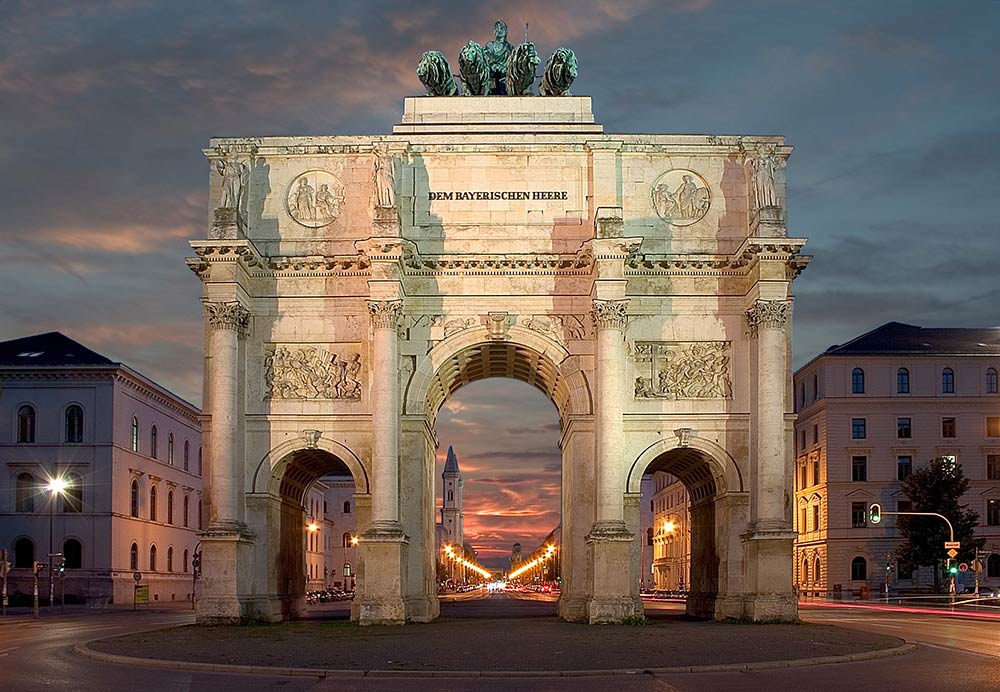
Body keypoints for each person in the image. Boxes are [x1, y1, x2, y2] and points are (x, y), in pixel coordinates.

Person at [484, 20, 513, 94]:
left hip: (506, 77)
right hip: (492, 76)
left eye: (501, 28)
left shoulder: (510, 48)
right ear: (494, 31)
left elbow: (513, 62)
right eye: (497, 28)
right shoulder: (490, 45)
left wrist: (505, 68)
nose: (499, 30)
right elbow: (486, 56)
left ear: (506, 31)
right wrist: (493, 65)